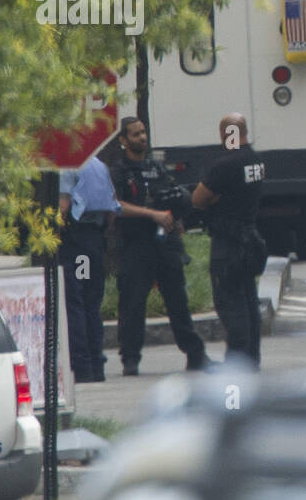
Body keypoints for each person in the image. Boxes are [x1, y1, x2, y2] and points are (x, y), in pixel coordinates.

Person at [109, 117, 213, 375]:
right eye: (135, 134)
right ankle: (130, 360)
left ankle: (195, 353)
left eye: (143, 133)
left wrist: (176, 220)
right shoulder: (119, 171)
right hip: (136, 244)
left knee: (178, 299)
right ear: (123, 140)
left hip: (165, 243)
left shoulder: (156, 167)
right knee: (132, 304)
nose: (142, 138)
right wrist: (151, 214)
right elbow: (115, 205)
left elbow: (172, 196)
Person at [192, 113, 267, 369]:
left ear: (227, 134)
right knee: (248, 301)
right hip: (250, 239)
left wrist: (215, 199)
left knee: (231, 305)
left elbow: (198, 199)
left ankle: (237, 363)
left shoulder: (225, 164)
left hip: (228, 243)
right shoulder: (255, 160)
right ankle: (252, 359)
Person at [58, 156, 121, 382]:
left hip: (75, 242)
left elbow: (63, 206)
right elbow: (113, 206)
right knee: (92, 304)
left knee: (75, 303)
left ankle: (81, 366)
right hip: (94, 241)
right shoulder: (99, 165)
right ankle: (96, 364)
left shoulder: (66, 166)